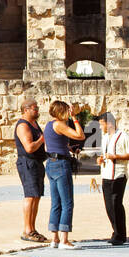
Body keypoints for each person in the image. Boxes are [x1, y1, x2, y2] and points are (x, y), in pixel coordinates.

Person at [43, 101, 83, 248]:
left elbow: (52, 145)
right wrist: (75, 118)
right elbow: (80, 135)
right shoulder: (60, 124)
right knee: (67, 203)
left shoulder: (48, 125)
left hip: (51, 163)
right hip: (61, 165)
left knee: (56, 202)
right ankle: (64, 239)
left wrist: (69, 149)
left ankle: (55, 239)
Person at [97, 112, 129, 245]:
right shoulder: (105, 137)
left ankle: (120, 235)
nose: (101, 127)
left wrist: (115, 156)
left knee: (116, 204)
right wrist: (101, 159)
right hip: (106, 174)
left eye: (102, 124)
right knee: (108, 206)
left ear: (109, 124)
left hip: (118, 174)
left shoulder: (123, 136)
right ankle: (116, 231)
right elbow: (105, 154)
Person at [14, 100, 47, 242]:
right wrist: (42, 139)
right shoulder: (23, 125)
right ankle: (27, 230)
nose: (37, 110)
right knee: (30, 195)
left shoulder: (34, 124)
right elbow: (29, 147)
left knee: (37, 196)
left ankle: (32, 229)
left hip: (37, 163)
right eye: (35, 108)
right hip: (27, 162)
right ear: (26, 109)